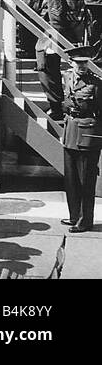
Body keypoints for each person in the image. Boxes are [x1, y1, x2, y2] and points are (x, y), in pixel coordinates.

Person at [62, 48, 101, 233]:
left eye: (85, 62)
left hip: (88, 136)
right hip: (70, 133)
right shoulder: (67, 77)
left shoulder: (96, 83)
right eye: (78, 63)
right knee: (71, 179)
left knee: (86, 181)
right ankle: (74, 216)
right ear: (71, 63)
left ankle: (85, 221)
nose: (82, 66)